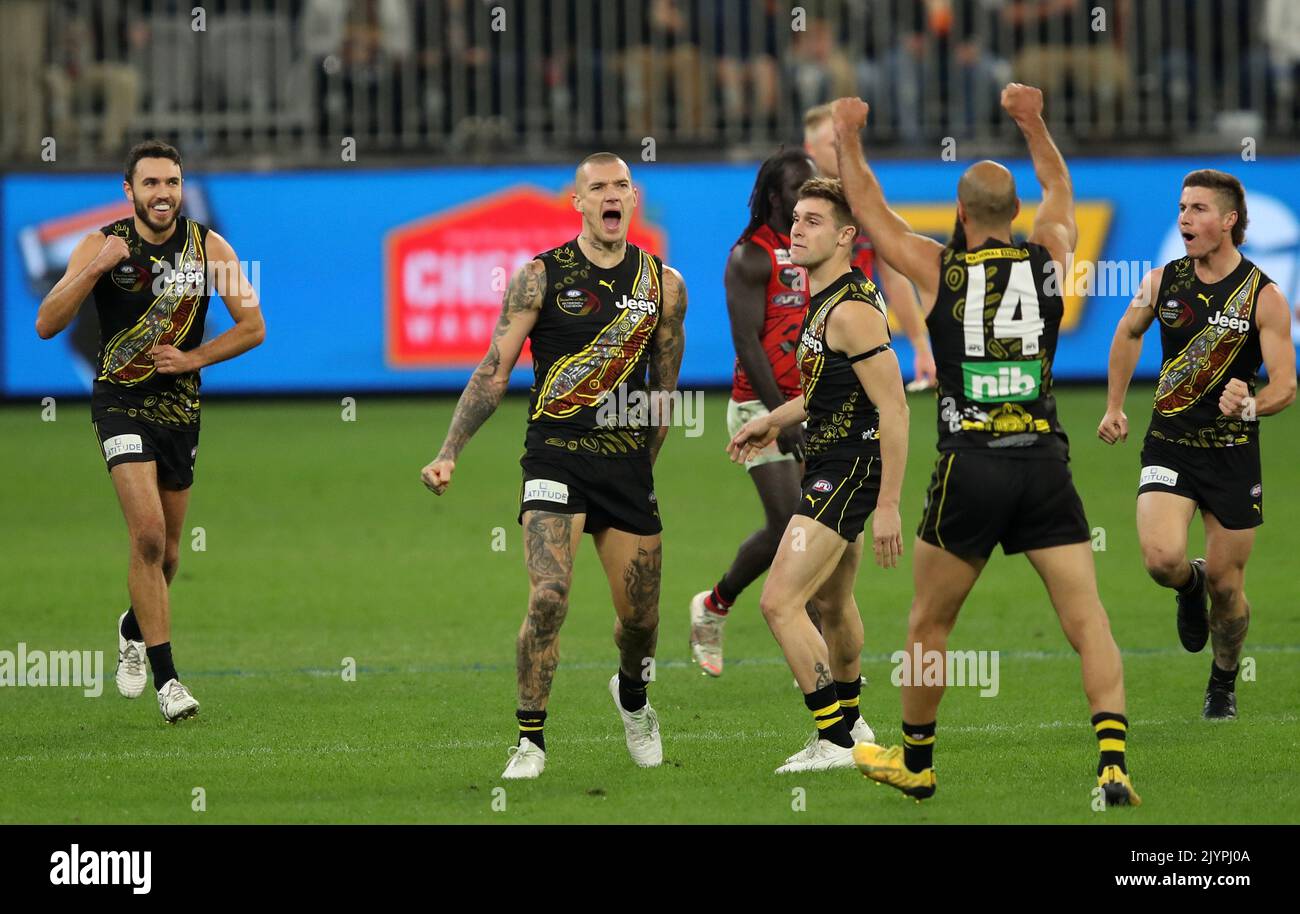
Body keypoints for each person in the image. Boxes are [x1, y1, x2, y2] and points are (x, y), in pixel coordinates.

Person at [831, 87, 1140, 805]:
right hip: (1042, 462)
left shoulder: (941, 270)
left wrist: (849, 135)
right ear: (1015, 214)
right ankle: (1113, 764)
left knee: (929, 622)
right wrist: (1033, 121)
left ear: (962, 215)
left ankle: (917, 761)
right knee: (1087, 618)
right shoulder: (1053, 254)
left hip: (969, 465)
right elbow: (1060, 187)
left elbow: (870, 212)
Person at [421, 153, 688, 780]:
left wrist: (641, 466)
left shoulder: (665, 287)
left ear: (633, 196)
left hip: (625, 471)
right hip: (554, 458)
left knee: (642, 621)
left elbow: (662, 395)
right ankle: (530, 741)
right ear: (578, 203)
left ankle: (632, 696)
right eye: (597, 188)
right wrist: (448, 451)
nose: (610, 196)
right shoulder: (539, 278)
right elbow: (493, 371)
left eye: (620, 185)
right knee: (549, 596)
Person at [35, 140, 266, 723]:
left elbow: (253, 326)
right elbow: (45, 323)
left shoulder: (208, 248)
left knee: (166, 555)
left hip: (180, 410)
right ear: (129, 190)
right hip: (118, 402)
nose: (162, 194)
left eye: (171, 182)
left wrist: (193, 360)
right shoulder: (101, 243)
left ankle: (132, 627)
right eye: (151, 183)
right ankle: (169, 682)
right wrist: (93, 268)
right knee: (144, 535)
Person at [1098, 169, 1296, 720]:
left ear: (1229, 220)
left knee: (1230, 596)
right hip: (1171, 442)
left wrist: (1253, 404)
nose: (1184, 217)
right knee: (1162, 560)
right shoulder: (1162, 282)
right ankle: (1190, 583)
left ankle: (1223, 681)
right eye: (1182, 207)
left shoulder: (1265, 296)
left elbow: (1286, 383)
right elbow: (1127, 332)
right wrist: (1115, 407)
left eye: (1199, 208)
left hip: (1232, 454)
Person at [729, 177, 908, 773]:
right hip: (831, 464)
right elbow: (822, 392)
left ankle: (833, 740)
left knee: (779, 603)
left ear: (845, 236)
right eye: (795, 220)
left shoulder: (853, 308)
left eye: (811, 221)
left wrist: (888, 505)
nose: (796, 231)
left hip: (847, 471)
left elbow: (895, 407)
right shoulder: (827, 297)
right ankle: (852, 720)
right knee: (833, 601)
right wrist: (770, 421)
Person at [688, 149, 819, 678]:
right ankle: (807, 653)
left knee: (809, 529)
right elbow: (746, 342)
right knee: (794, 523)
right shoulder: (751, 257)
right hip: (758, 407)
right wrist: (779, 418)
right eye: (797, 192)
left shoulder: (818, 247)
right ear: (772, 197)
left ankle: (716, 605)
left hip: (814, 406)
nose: (806, 201)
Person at [802, 103, 936, 389]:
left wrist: (920, 346)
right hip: (811, 339)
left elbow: (894, 275)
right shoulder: (798, 206)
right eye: (832, 144)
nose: (842, 151)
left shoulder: (865, 198)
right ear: (810, 148)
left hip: (861, 334)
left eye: (845, 142)